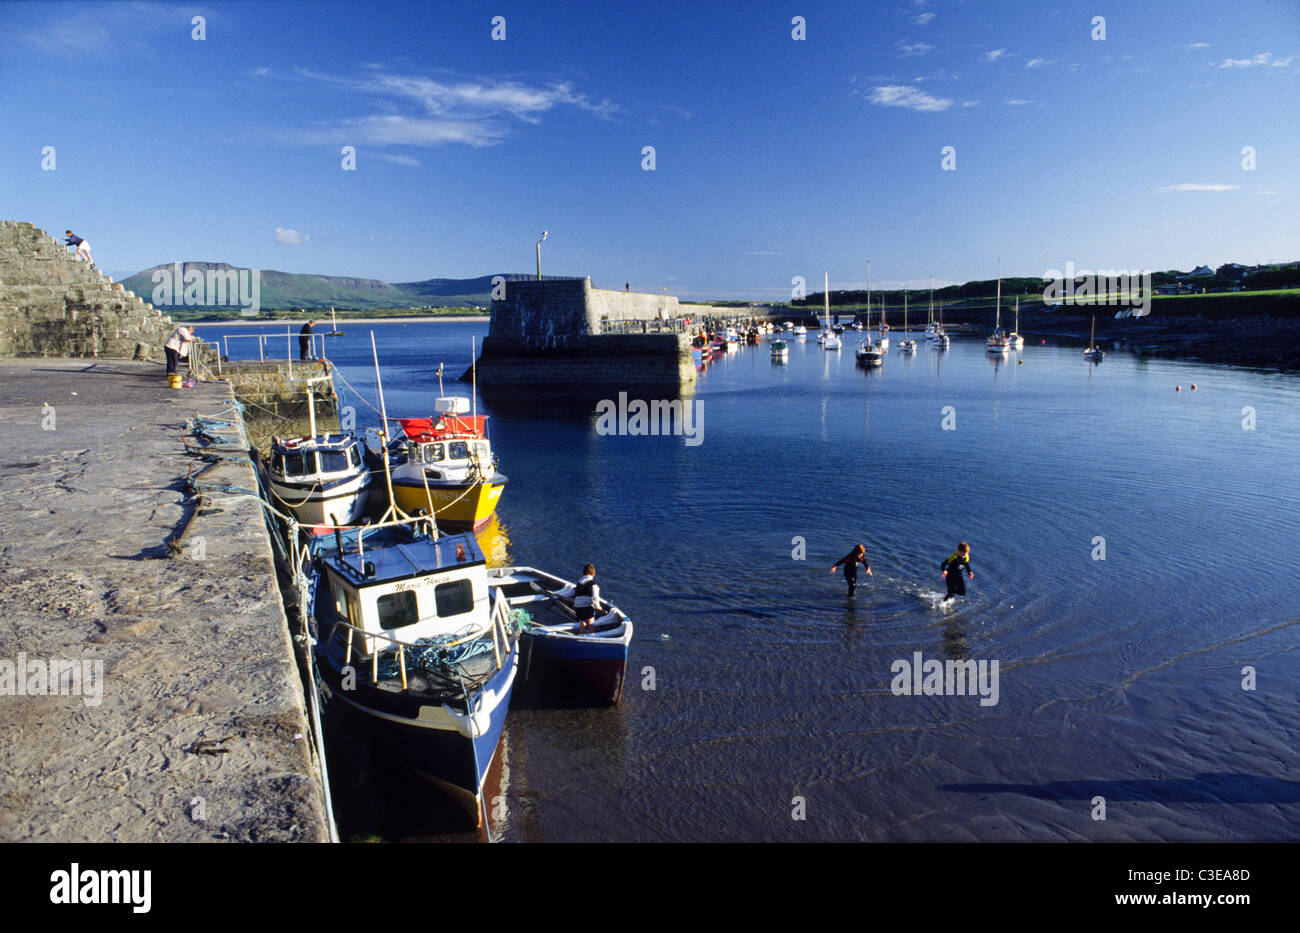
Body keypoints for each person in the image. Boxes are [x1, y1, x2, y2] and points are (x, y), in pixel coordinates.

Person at [557, 564, 600, 632]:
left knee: (582, 623)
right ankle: (591, 637)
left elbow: (574, 593)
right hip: (588, 607)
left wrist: (563, 596)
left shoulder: (579, 584)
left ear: (583, 573)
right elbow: (595, 597)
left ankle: (582, 634)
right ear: (593, 574)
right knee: (590, 623)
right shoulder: (593, 584)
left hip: (578, 607)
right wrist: (598, 607)